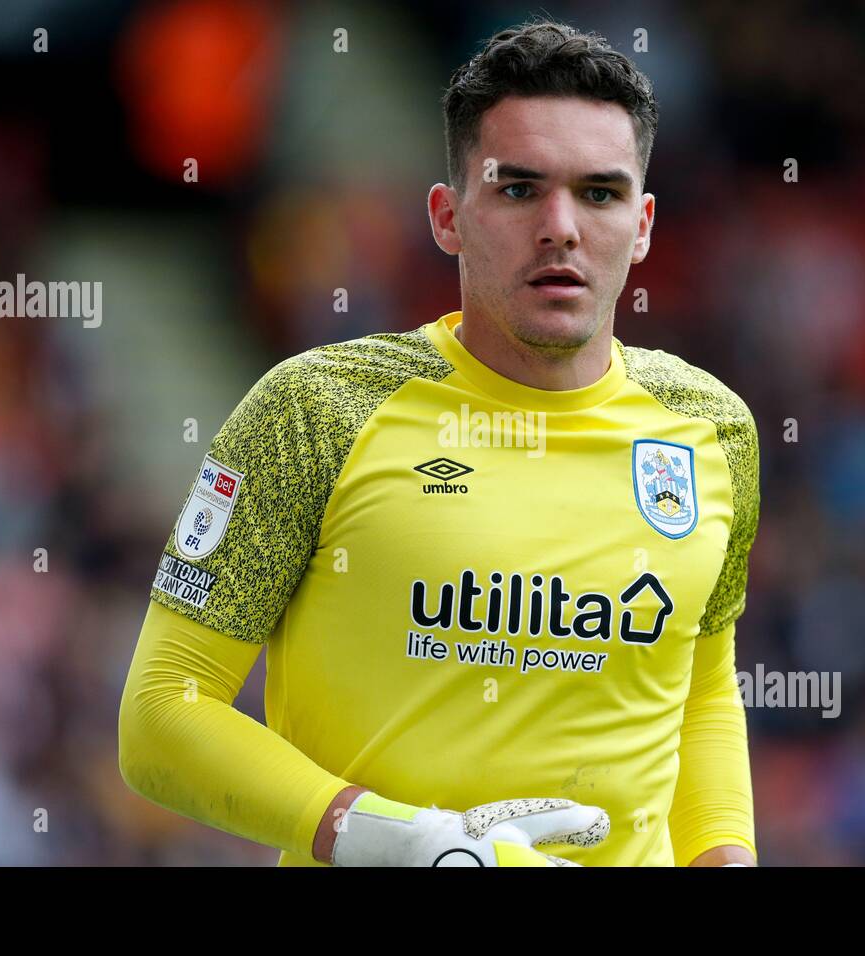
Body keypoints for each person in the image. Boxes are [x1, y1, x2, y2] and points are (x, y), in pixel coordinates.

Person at [119, 17, 759, 867]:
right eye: (519, 189)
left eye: (599, 193)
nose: (561, 227)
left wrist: (727, 857)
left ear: (642, 226)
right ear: (448, 216)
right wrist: (405, 842)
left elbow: (702, 689)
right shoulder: (316, 411)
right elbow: (162, 712)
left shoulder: (711, 431)